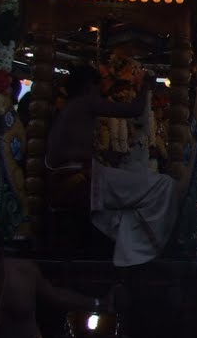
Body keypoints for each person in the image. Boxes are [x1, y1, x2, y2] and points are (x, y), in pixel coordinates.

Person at [47, 64, 174, 267]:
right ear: (89, 87)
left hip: (72, 176)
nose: (101, 93)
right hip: (82, 178)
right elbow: (134, 110)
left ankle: (126, 243)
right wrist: (147, 87)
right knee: (164, 184)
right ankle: (140, 250)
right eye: (99, 88)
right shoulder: (85, 103)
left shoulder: (69, 108)